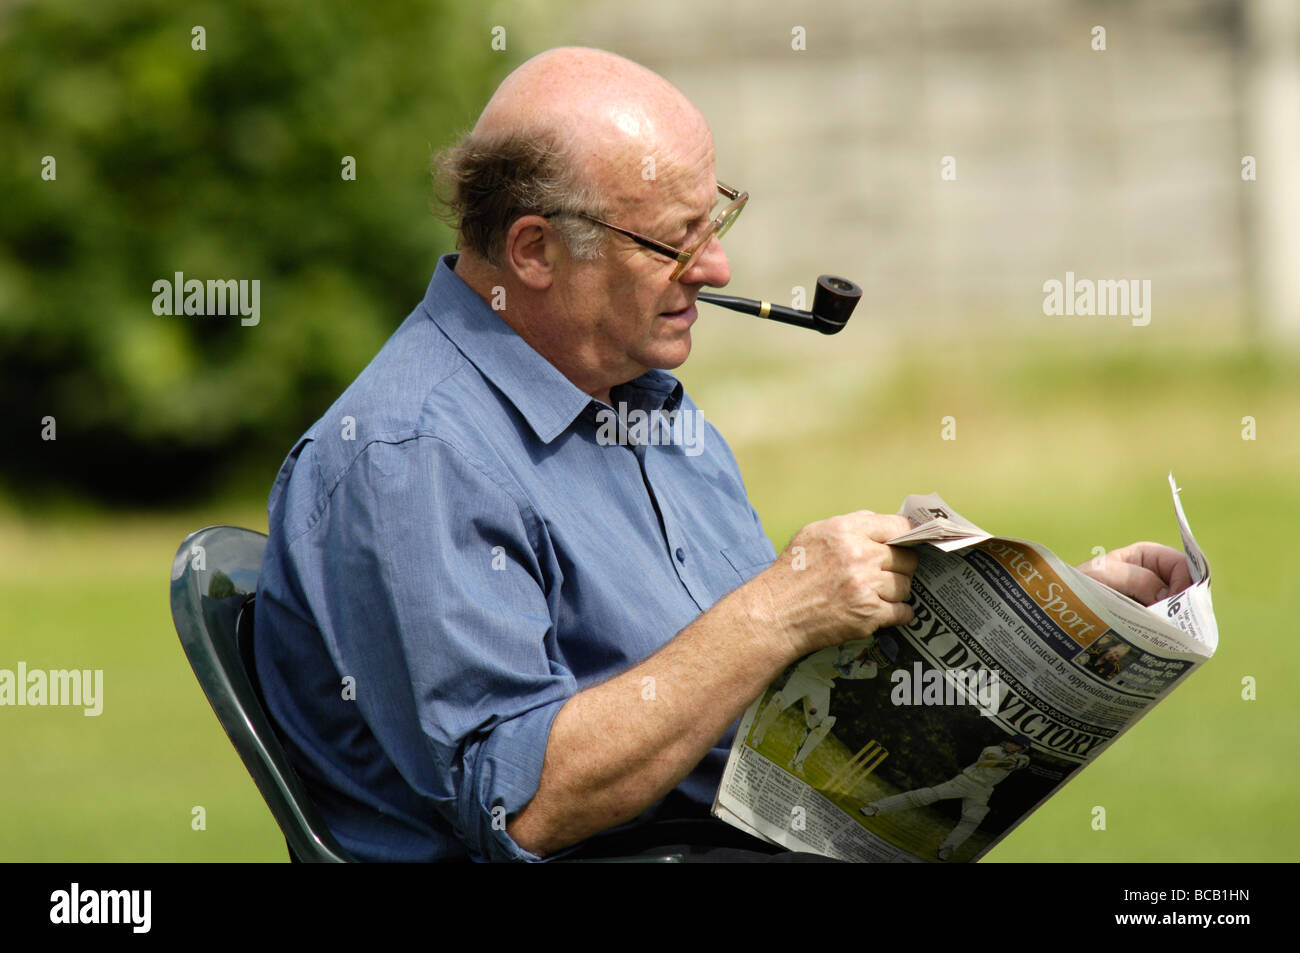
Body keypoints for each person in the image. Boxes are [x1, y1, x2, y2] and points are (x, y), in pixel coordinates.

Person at [253, 46, 1194, 863]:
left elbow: (764, 707)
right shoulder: (409, 457)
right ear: (534, 251)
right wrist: (778, 609)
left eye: (716, 219)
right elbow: (522, 805)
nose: (716, 268)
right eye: (673, 240)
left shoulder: (640, 397)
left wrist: (1041, 617)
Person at [859, 736, 1033, 862]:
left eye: (1017, 746)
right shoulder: (992, 750)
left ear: (1021, 749)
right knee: (923, 796)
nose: (1012, 746)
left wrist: (1020, 761)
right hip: (965, 782)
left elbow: (1025, 761)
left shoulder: (1020, 758)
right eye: (1012, 742)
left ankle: (947, 848)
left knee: (972, 819)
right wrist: (1011, 763)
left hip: (983, 791)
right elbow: (988, 762)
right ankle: (875, 808)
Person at [750, 633, 898, 774]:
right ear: (876, 643)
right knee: (779, 702)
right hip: (807, 672)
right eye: (880, 651)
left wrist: (853, 659)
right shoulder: (865, 638)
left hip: (822, 684)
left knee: (824, 724)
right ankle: (757, 737)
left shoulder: (871, 671)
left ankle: (797, 762)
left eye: (884, 657)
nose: (879, 656)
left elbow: (843, 670)